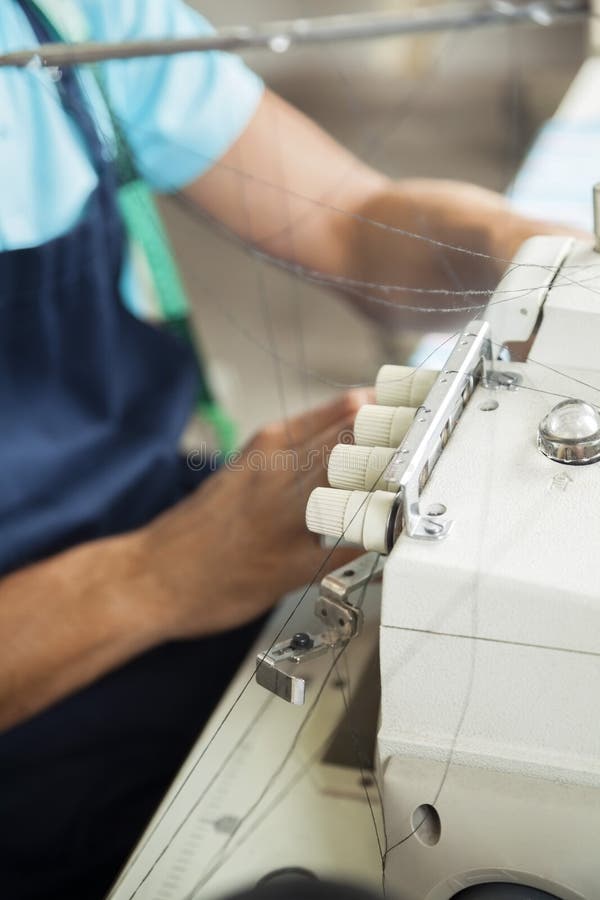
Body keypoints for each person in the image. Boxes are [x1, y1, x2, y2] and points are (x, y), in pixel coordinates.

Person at [0, 1, 570, 898]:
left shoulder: (64, 18)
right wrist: (164, 574)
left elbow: (350, 219)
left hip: (156, 534)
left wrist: (533, 260)